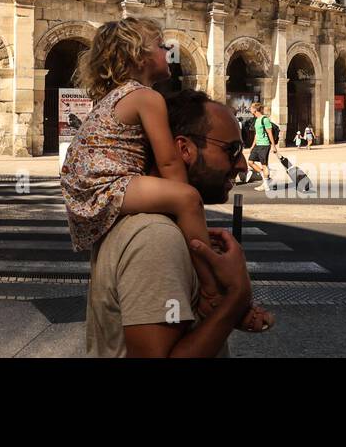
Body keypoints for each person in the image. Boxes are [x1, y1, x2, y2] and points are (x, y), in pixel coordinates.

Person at [85, 88, 275, 357]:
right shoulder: (157, 238)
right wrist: (236, 298)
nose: (243, 165)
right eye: (232, 150)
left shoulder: (163, 226)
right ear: (184, 149)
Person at [61, 18, 222, 303]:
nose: (167, 50)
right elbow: (169, 163)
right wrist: (187, 208)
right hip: (106, 185)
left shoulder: (115, 96)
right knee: (187, 199)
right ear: (139, 56)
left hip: (88, 186)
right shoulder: (146, 97)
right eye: (161, 46)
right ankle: (211, 287)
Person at [246, 101, 280, 191]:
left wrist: (274, 146)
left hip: (264, 145)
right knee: (250, 162)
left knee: (264, 164)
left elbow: (270, 133)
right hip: (258, 145)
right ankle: (265, 177)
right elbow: (257, 135)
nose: (250, 110)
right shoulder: (256, 120)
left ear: (255, 109)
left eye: (251, 108)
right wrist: (252, 146)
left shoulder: (265, 119)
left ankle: (266, 185)